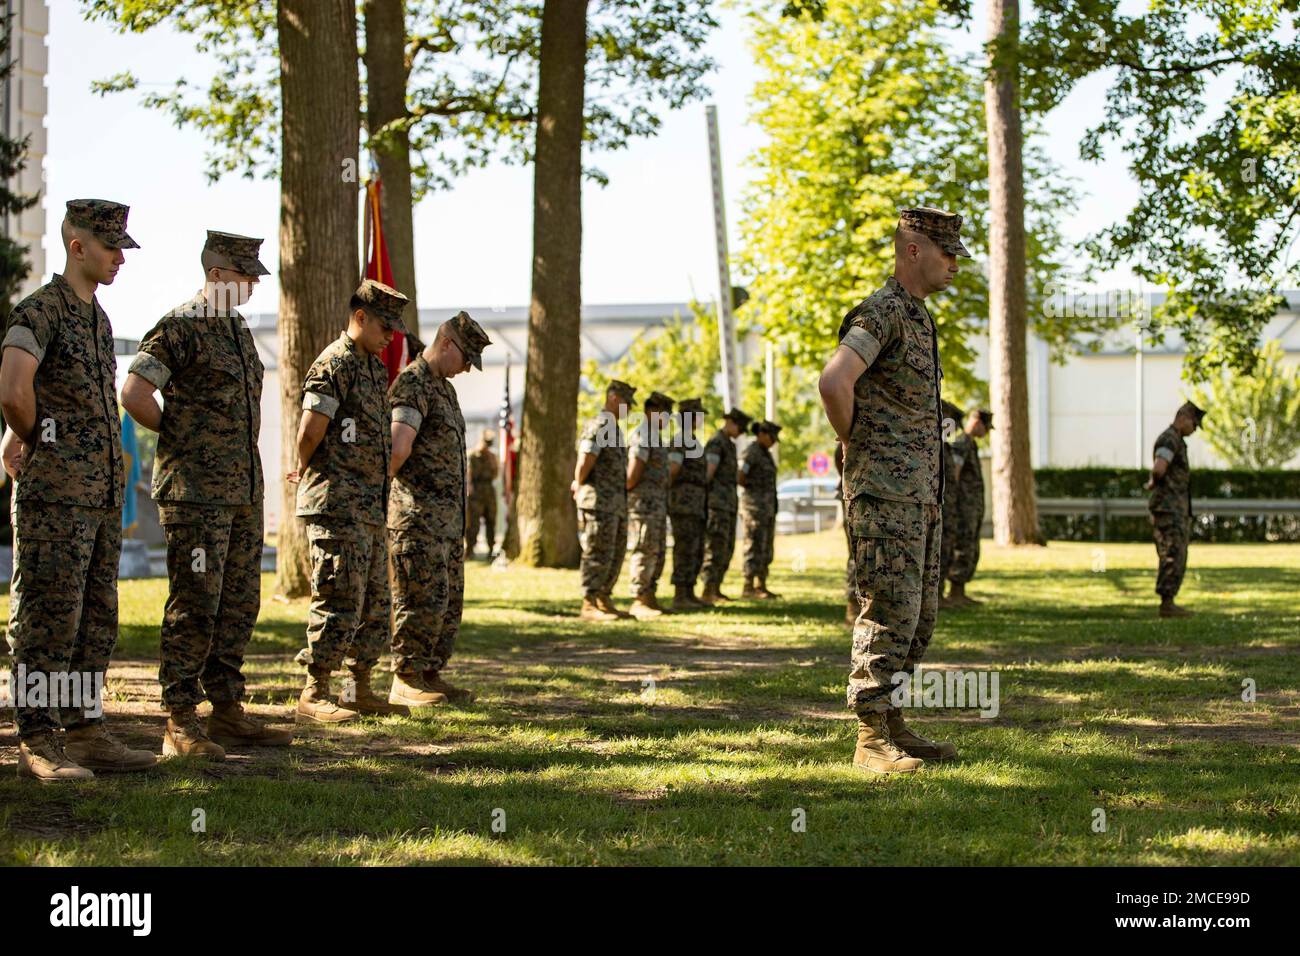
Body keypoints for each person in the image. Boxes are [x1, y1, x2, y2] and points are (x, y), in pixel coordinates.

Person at [0, 199, 156, 781]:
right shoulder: (39, 310)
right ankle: (37, 741)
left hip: (98, 497)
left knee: (95, 616)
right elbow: (14, 391)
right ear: (78, 246)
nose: (121, 258)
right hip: (54, 497)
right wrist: (38, 440)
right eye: (112, 247)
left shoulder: (99, 319)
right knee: (48, 617)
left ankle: (85, 729)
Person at [122, 230, 291, 759]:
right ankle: (179, 720)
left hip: (240, 491)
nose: (252, 287)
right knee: (195, 602)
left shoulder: (237, 331)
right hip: (195, 494)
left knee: (238, 602)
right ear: (217, 275)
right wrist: (179, 436)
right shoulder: (180, 326)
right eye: (245, 277)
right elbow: (134, 392)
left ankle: (226, 710)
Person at [818, 206, 969, 774]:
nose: (955, 263)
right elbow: (834, 382)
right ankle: (869, 737)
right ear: (913, 250)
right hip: (883, 493)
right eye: (946, 252)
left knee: (918, 616)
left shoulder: (919, 317)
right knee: (887, 609)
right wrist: (862, 444)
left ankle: (894, 721)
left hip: (919, 497)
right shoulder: (882, 312)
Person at [289, 279, 412, 722]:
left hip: (368, 505)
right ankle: (315, 690)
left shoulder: (374, 368)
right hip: (336, 502)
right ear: (359, 317)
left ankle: (359, 685)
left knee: (373, 601)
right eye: (384, 325)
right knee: (337, 594)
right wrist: (304, 466)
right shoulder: (334, 364)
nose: (391, 335)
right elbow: (309, 431)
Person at [387, 312, 492, 708]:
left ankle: (429, 672)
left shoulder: (443, 389)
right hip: (417, 521)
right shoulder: (413, 384)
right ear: (446, 343)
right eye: (465, 358)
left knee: (444, 602)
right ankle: (406, 677)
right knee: (418, 598)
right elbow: (398, 449)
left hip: (446, 524)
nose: (466, 369)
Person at [573, 379, 636, 621]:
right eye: (626, 402)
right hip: (599, 501)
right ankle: (589, 602)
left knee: (615, 552)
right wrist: (579, 483)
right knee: (598, 551)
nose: (629, 408)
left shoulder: (614, 427)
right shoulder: (599, 425)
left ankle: (603, 597)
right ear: (613, 399)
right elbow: (585, 460)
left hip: (615, 503)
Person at [1146, 401, 1205, 618]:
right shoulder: (1170, 439)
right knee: (1172, 552)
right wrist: (1155, 481)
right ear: (1183, 418)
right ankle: (1167, 603)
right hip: (1168, 509)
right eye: (1194, 425)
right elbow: (1160, 468)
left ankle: (1169, 602)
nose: (1194, 430)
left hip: (1173, 508)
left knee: (1177, 552)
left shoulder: (1175, 440)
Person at [626, 391, 675, 620]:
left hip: (656, 503)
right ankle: (639, 598)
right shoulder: (644, 434)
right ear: (651, 411)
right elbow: (634, 471)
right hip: (644, 504)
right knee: (644, 548)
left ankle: (650, 595)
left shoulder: (655, 436)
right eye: (664, 414)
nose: (667, 419)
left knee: (657, 550)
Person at [699, 407, 751, 605]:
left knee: (726, 547)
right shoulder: (717, 443)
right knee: (715, 546)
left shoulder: (728, 444)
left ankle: (716, 588)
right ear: (730, 423)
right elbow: (709, 472)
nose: (740, 433)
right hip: (717, 505)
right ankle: (708, 589)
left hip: (727, 504)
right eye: (740, 427)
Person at [945, 407, 991, 607]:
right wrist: (954, 501)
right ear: (977, 421)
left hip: (970, 506)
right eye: (986, 427)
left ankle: (959, 591)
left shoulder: (970, 444)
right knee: (962, 545)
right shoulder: (962, 442)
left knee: (970, 545)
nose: (986, 433)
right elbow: (955, 471)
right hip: (962, 506)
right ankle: (954, 592)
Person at [668, 397, 708, 611]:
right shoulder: (680, 440)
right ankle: (680, 594)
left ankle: (690, 591)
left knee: (695, 548)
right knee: (684, 548)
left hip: (695, 505)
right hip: (683, 505)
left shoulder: (692, 440)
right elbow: (672, 470)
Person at [739, 420, 781, 599]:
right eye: (772, 436)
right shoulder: (752, 452)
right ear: (762, 434)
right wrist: (754, 492)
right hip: (754, 508)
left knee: (765, 546)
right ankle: (748, 586)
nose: (774, 441)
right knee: (753, 545)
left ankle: (760, 584)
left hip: (767, 508)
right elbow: (741, 476)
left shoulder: (765, 453)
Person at [937, 400, 964, 607]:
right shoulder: (935, 446)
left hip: (948, 507)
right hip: (939, 507)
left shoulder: (944, 446)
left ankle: (940, 594)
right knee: (939, 550)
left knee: (945, 550)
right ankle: (936, 594)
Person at [465, 429, 499, 559]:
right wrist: (469, 487)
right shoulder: (473, 455)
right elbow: (468, 473)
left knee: (491, 521)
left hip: (489, 490)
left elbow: (495, 474)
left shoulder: (492, 456)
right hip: (476, 491)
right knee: (473, 522)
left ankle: (491, 549)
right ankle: (470, 549)